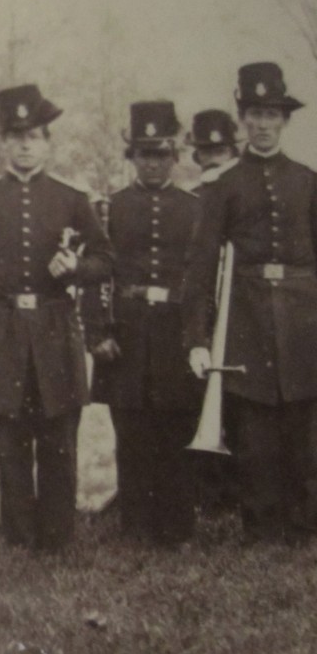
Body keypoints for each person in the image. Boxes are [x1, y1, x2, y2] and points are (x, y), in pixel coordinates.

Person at [0, 84, 113, 551]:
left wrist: (77, 269)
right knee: (12, 440)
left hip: (56, 331)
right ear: (3, 141)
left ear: (48, 142)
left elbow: (106, 260)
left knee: (60, 437)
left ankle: (58, 537)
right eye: (17, 135)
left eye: (36, 135)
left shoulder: (72, 198)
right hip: (1, 332)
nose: (26, 144)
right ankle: (19, 538)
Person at [182, 62, 317, 544]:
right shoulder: (224, 185)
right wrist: (197, 339)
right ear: (243, 120)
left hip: (305, 320)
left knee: (304, 428)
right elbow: (200, 270)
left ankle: (305, 528)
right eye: (254, 114)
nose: (262, 124)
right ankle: (262, 530)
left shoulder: (307, 180)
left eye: (271, 114)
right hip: (248, 320)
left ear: (285, 120)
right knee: (256, 435)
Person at [87, 102, 201, 546]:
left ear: (175, 155)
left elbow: (203, 280)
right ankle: (135, 527)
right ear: (131, 157)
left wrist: (199, 339)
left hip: (177, 332)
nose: (152, 163)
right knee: (131, 432)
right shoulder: (109, 208)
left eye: (160, 153)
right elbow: (96, 275)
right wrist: (97, 332)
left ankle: (176, 527)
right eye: (143, 154)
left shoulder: (196, 209)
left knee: (176, 429)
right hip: (126, 331)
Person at [184, 108, 241, 514]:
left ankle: (238, 490)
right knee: (197, 398)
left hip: (240, 311)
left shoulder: (242, 195)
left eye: (220, 150)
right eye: (206, 151)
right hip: (199, 312)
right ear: (195, 156)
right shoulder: (192, 203)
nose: (213, 158)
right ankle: (208, 493)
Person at [185, 108, 240, 178]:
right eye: (205, 152)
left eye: (220, 152)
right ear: (197, 157)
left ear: (233, 153)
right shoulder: (197, 188)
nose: (213, 159)